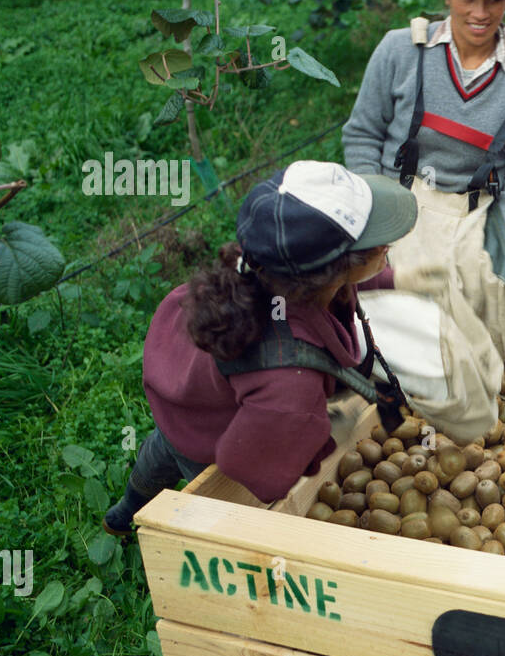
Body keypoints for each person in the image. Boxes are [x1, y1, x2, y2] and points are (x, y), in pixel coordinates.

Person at [102, 161, 417, 535]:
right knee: (199, 487)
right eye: (380, 247)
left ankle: (123, 512)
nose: (387, 248)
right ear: (335, 271)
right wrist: (323, 438)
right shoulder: (288, 380)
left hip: (180, 386)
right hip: (206, 429)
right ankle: (149, 525)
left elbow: (346, 277)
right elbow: (252, 467)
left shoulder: (273, 263)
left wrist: (401, 277)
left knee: (162, 446)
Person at [341, 0, 505, 397]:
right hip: (397, 206)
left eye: (493, 0)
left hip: (471, 221)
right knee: (384, 330)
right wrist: (374, 218)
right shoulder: (400, 50)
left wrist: (492, 235)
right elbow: (362, 133)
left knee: (496, 353)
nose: (479, 13)